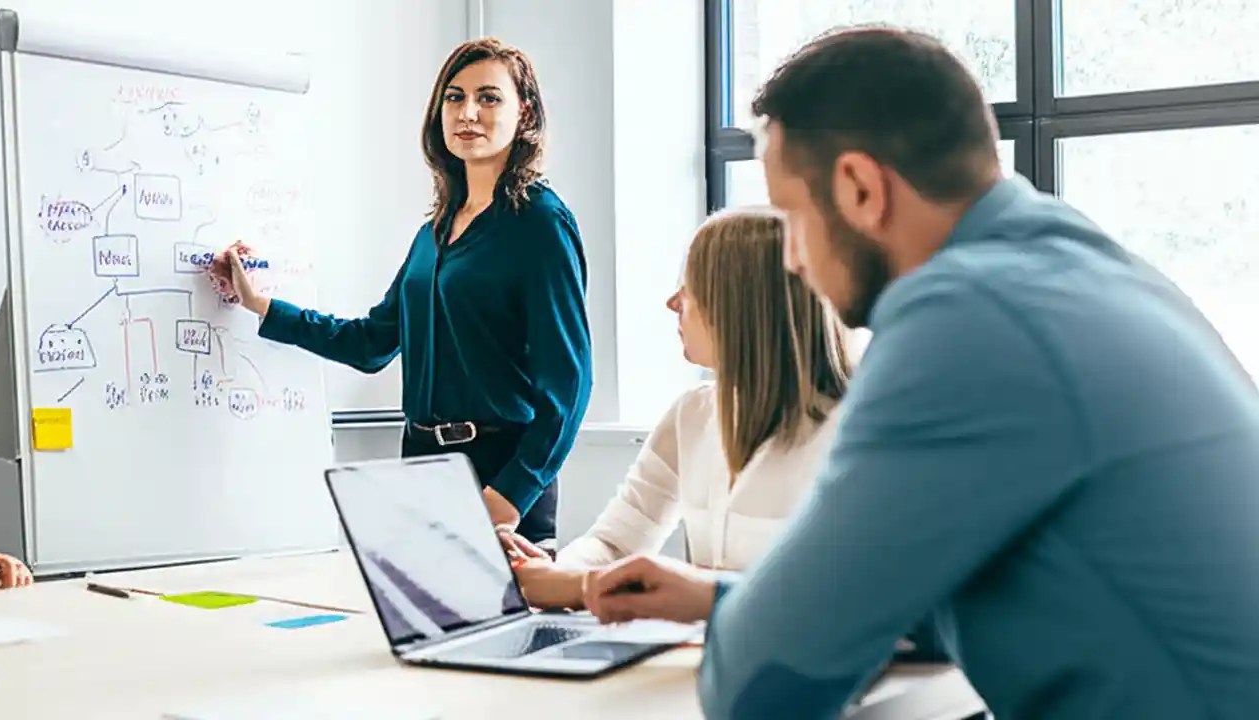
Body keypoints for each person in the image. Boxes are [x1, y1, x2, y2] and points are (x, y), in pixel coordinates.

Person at [582, 26, 1259, 719]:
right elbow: (933, 594)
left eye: (790, 217)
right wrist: (718, 596)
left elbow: (765, 682)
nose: (790, 259)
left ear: (859, 189)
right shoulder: (1081, 267)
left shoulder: (967, 324)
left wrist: (749, 622)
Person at [226, 38, 591, 546]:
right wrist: (261, 303)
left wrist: (510, 495)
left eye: (489, 98)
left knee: (503, 625)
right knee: (419, 625)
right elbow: (372, 343)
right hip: (421, 465)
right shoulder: (435, 232)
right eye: (454, 97)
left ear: (524, 112)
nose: (468, 113)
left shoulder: (540, 222)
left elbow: (568, 387)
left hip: (499, 473)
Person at [502, 207, 852, 610]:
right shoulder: (692, 414)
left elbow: (836, 596)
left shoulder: (853, 436)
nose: (672, 302)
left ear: (739, 304)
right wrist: (550, 572)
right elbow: (614, 543)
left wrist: (582, 587)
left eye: (689, 286)